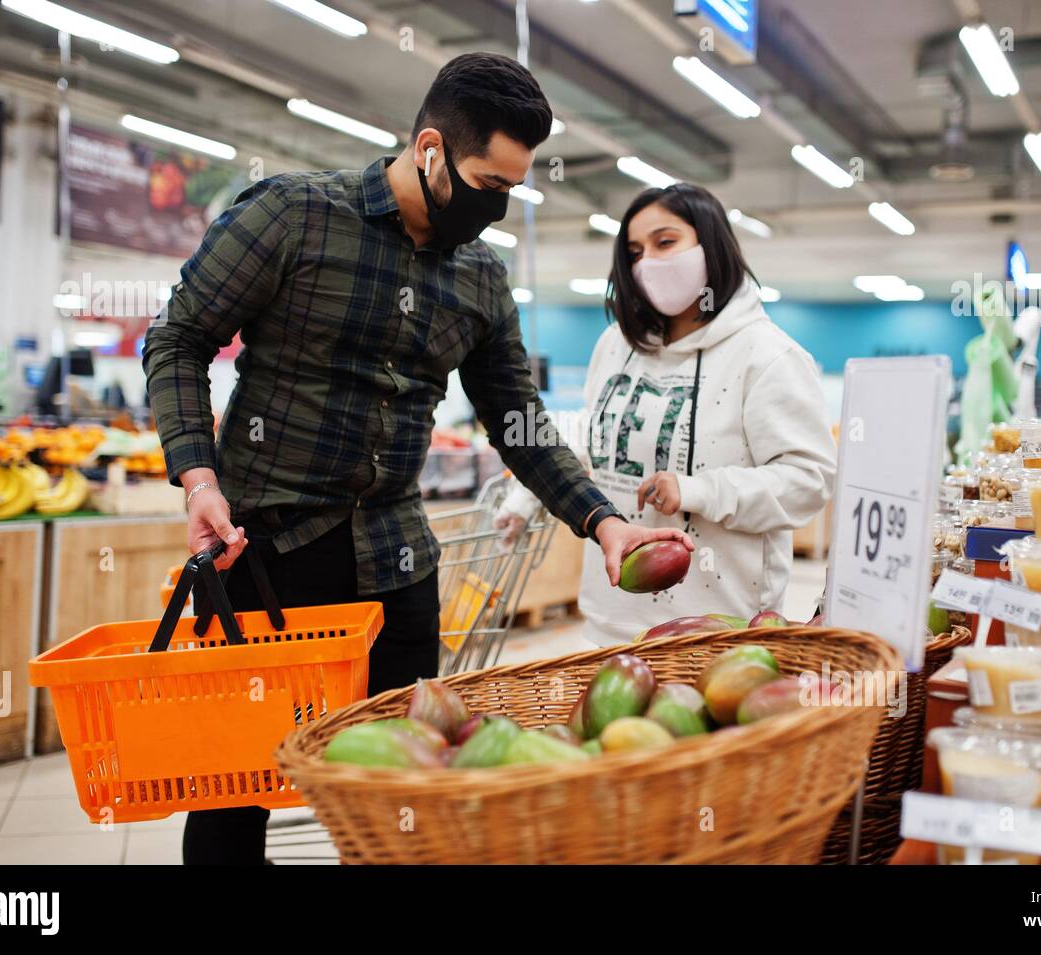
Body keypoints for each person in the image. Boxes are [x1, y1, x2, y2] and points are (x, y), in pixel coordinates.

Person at [142, 52, 689, 865]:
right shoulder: (291, 216)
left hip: (398, 568)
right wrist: (197, 473)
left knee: (410, 792)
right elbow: (178, 337)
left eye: (512, 188)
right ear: (430, 147)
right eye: (488, 183)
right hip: (268, 561)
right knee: (235, 795)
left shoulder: (478, 276)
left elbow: (516, 416)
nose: (497, 208)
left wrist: (601, 521)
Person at [498, 183, 836, 646]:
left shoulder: (767, 356)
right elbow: (592, 438)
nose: (648, 263)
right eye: (635, 252)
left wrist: (699, 491)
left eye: (665, 242)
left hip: (713, 629)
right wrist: (526, 495)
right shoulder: (616, 344)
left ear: (710, 243)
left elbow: (809, 480)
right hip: (609, 616)